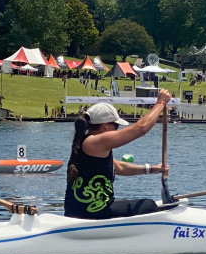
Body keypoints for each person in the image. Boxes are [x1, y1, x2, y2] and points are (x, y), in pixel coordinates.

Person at [65, 91, 171, 220]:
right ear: (105, 126)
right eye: (116, 125)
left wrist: (151, 169)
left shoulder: (88, 143)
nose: (118, 129)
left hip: (81, 211)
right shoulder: (95, 142)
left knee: (142, 204)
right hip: (93, 212)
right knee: (149, 205)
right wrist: (161, 103)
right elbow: (141, 128)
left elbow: (119, 167)